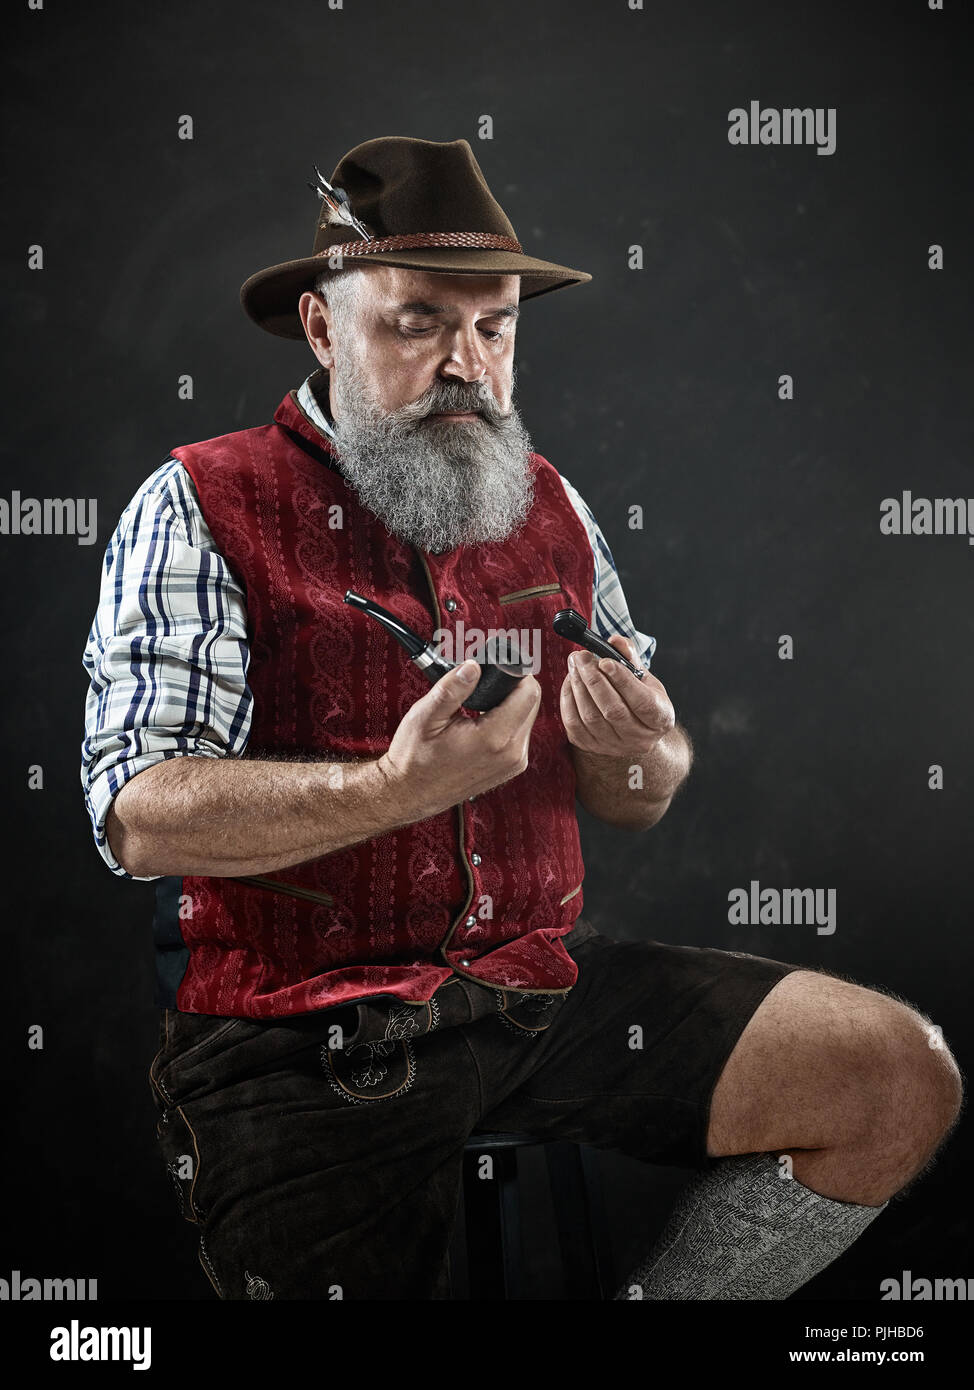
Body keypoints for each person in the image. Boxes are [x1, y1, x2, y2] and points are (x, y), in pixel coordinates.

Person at [80, 136, 962, 1301]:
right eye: (416, 323)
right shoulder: (197, 501)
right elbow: (137, 814)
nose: (467, 366)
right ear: (320, 327)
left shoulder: (547, 501)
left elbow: (636, 795)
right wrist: (388, 793)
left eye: (492, 328)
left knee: (895, 1075)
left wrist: (642, 751)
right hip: (298, 1038)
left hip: (538, 999)